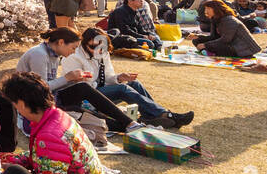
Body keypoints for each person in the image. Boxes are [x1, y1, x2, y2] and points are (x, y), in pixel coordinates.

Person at [61, 28, 193, 128]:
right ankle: (164, 114)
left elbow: (107, 77)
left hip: (100, 89)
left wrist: (119, 77)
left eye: (102, 47)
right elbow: (82, 88)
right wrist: (115, 85)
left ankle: (152, 116)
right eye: (93, 47)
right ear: (84, 44)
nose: (98, 51)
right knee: (122, 89)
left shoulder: (103, 53)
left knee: (134, 84)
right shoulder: (74, 56)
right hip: (87, 97)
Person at [14, 28, 136, 136]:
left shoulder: (54, 54)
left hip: (49, 98)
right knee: (78, 112)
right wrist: (67, 78)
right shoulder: (39, 55)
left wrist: (73, 80)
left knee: (82, 87)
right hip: (35, 105)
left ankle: (129, 123)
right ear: (61, 42)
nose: (73, 52)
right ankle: (124, 126)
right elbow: (40, 89)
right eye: (73, 48)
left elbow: (51, 85)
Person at [191, 0, 259, 58]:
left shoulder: (229, 20)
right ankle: (207, 52)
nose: (206, 11)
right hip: (228, 44)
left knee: (212, 46)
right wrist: (198, 37)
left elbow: (225, 40)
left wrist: (205, 45)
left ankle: (208, 52)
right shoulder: (215, 19)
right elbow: (213, 37)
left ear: (216, 9)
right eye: (206, 8)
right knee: (196, 40)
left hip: (240, 48)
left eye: (208, 8)